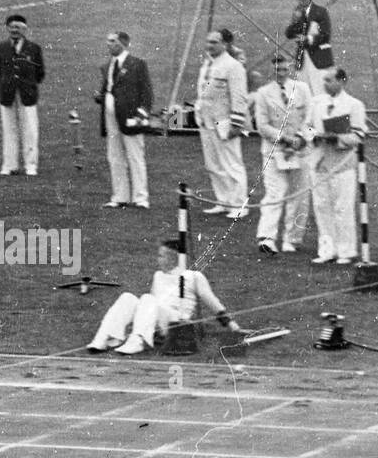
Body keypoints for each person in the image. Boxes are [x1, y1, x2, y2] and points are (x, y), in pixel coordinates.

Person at [87, 239, 243, 355]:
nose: (158, 259)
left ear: (173, 258)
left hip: (176, 323)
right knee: (127, 297)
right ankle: (104, 338)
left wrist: (230, 324)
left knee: (148, 299)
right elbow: (150, 308)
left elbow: (212, 301)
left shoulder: (193, 276)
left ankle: (137, 341)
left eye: (161, 256)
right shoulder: (158, 276)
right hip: (157, 321)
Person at [253, 52, 313, 254]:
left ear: (291, 69)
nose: (281, 73)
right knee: (274, 193)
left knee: (299, 195)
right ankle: (267, 238)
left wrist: (300, 137)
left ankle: (292, 239)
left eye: (285, 69)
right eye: (277, 70)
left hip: (300, 149)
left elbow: (310, 120)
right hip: (274, 150)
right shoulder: (263, 93)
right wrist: (284, 139)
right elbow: (262, 126)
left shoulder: (303, 89)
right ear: (272, 71)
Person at [307, 68, 367, 264]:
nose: (326, 84)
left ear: (342, 81)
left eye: (330, 80)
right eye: (324, 80)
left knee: (342, 207)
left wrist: (337, 137)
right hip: (319, 161)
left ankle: (345, 250)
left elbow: (358, 135)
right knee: (321, 206)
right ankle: (327, 250)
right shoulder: (317, 103)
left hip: (342, 163)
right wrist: (311, 136)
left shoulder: (354, 105)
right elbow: (306, 127)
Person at [194, 29, 250, 220]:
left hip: (223, 121)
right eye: (208, 41)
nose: (209, 45)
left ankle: (239, 205)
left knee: (232, 164)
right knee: (213, 164)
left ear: (225, 45)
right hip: (206, 120)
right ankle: (223, 201)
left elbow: (239, 96)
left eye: (214, 42)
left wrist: (237, 123)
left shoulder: (233, 66)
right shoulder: (207, 64)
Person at [95, 31, 154, 210]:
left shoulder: (137, 64)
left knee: (135, 157)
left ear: (122, 43)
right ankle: (120, 196)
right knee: (115, 157)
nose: (108, 44)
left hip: (130, 117)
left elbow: (146, 91)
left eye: (112, 41)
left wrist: (142, 114)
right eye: (107, 40)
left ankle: (141, 198)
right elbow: (108, 89)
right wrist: (100, 96)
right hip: (110, 117)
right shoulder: (107, 66)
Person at [0, 14, 45, 176]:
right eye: (11, 27)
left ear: (24, 29)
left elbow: (39, 73)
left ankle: (31, 165)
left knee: (29, 129)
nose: (14, 30)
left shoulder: (33, 48)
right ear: (7, 28)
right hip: (7, 94)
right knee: (9, 130)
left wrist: (27, 85)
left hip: (27, 94)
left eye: (18, 27)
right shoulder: (1, 48)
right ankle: (9, 165)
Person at [283, 0, 334, 94]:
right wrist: (295, 21)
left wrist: (308, 39)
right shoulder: (298, 13)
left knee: (320, 91)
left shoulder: (321, 11)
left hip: (318, 59)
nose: (300, 1)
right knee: (304, 92)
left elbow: (326, 35)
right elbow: (288, 34)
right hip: (302, 60)